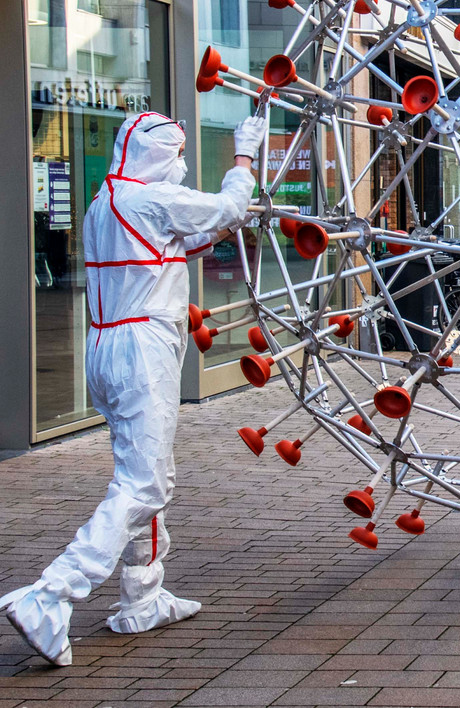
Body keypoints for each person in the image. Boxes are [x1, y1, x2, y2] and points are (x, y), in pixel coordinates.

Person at [2, 111, 266, 666]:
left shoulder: (108, 201)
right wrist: (244, 155)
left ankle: (142, 597)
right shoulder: (150, 198)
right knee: (143, 482)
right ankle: (50, 594)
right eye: (177, 155)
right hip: (142, 347)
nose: (182, 165)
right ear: (158, 155)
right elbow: (226, 208)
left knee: (150, 473)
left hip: (109, 342)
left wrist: (225, 222)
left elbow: (178, 244)